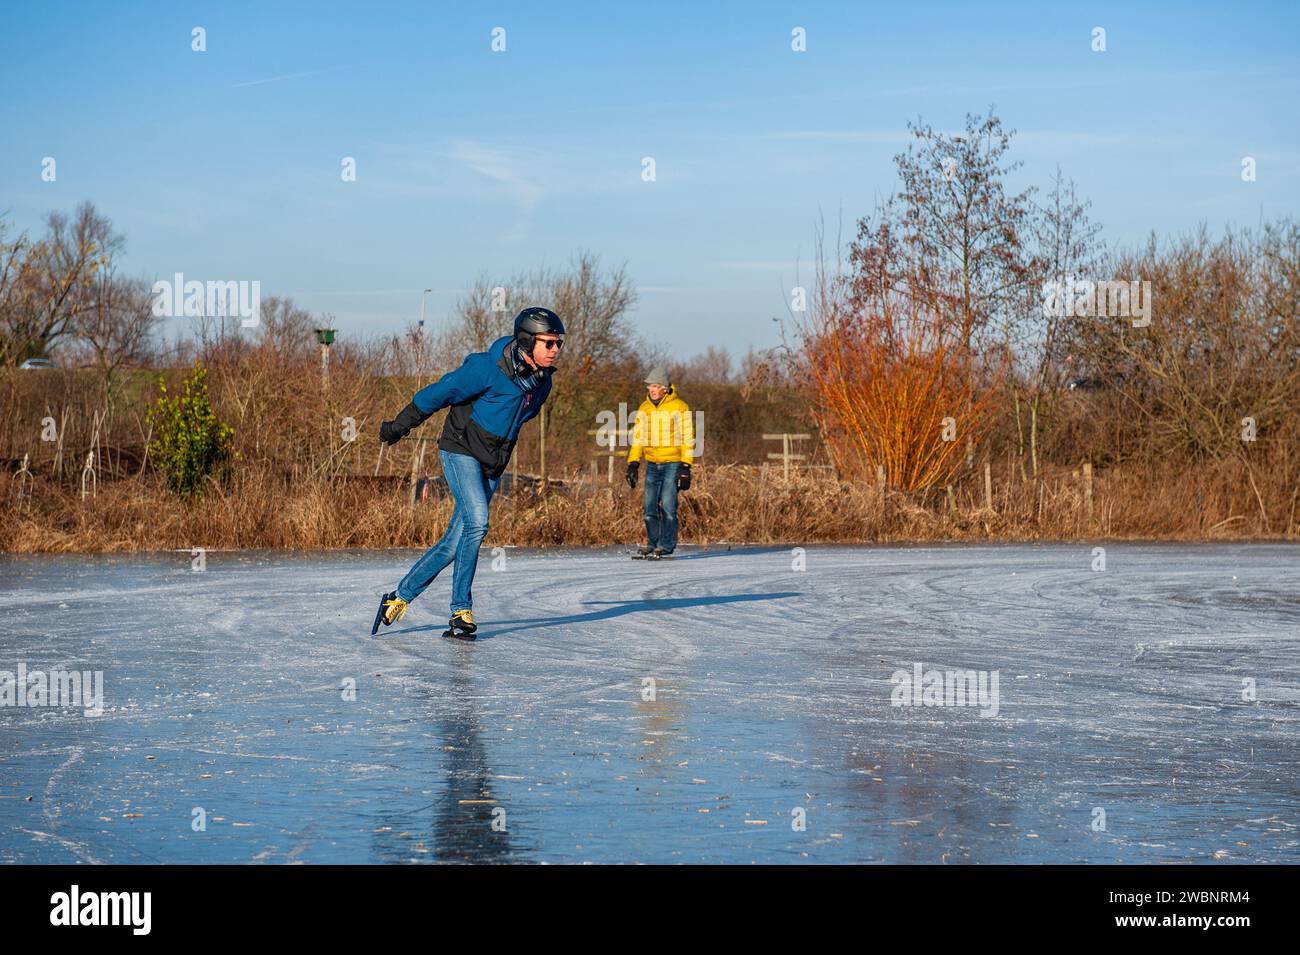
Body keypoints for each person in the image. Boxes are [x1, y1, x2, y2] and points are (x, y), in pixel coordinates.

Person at [371, 307, 564, 639]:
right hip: (459, 450)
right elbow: (440, 393)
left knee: (453, 543)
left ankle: (397, 597)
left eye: (558, 344)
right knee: (478, 521)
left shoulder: (542, 383)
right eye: (549, 343)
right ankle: (461, 610)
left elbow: (515, 418)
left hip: (491, 462)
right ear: (526, 340)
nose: (556, 350)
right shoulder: (486, 369)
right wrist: (399, 426)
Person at [625, 367, 694, 559]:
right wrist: (633, 463)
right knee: (649, 508)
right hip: (652, 464)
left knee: (668, 507)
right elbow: (638, 438)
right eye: (649, 386)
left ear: (665, 388)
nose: (652, 389)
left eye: (655, 386)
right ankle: (653, 543)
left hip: (673, 463)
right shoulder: (644, 408)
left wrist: (686, 465)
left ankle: (666, 544)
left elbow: (688, 437)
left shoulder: (680, 407)